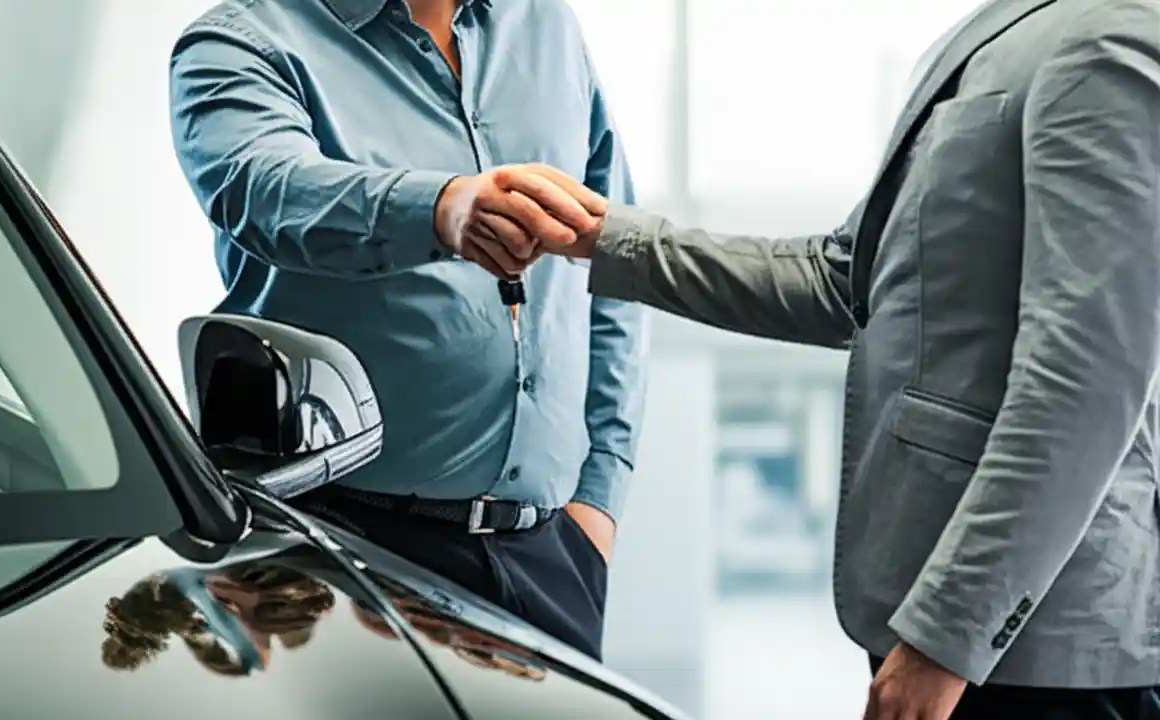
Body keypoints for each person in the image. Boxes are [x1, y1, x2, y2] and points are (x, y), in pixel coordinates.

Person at [500, 0, 1160, 717]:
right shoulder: (1001, 32)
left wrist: (948, 638)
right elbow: (846, 277)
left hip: (1033, 656)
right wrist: (609, 237)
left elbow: (1085, 383)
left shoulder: (1108, 40)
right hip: (954, 632)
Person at [168, 0, 647, 661]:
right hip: (339, 556)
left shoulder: (545, 24)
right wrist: (442, 207)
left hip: (552, 561)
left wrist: (598, 500)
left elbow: (612, 265)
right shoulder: (239, 42)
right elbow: (264, 190)